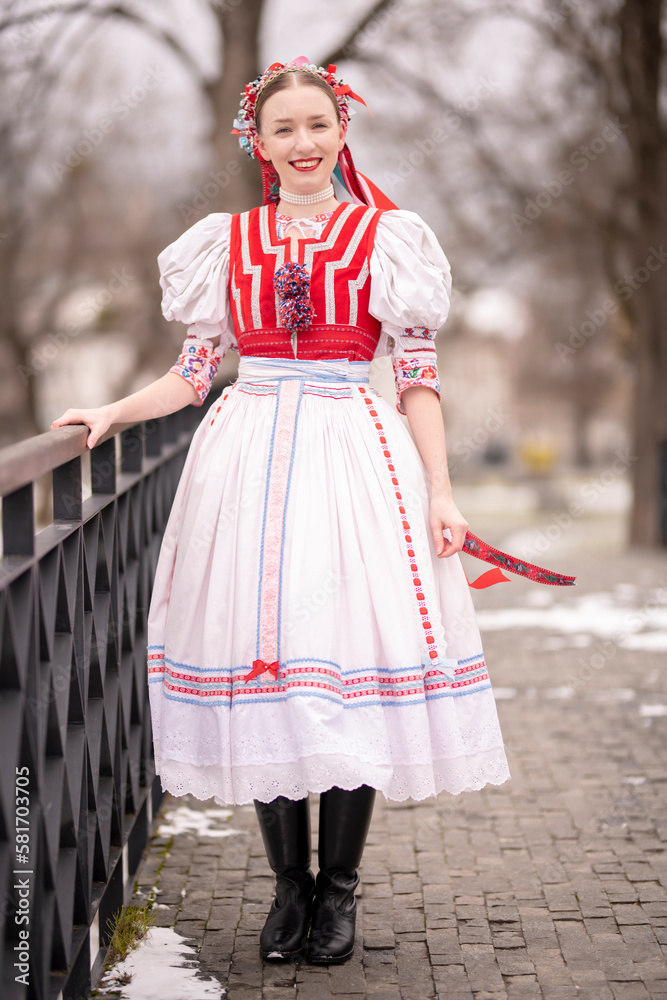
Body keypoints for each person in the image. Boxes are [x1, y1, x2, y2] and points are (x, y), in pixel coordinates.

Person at [50, 57, 511, 965]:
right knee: (260, 667)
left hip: (353, 464)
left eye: (317, 126)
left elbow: (416, 379)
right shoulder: (228, 243)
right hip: (248, 466)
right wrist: (110, 412)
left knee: (336, 664)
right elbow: (192, 376)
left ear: (342, 131)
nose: (303, 144)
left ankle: (337, 891)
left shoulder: (386, 239)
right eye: (283, 130)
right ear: (256, 144)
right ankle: (287, 891)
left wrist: (441, 491)